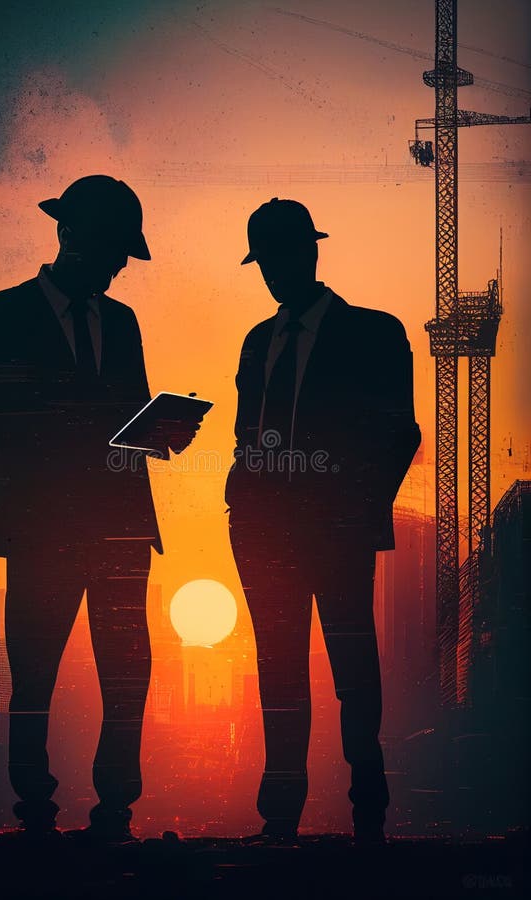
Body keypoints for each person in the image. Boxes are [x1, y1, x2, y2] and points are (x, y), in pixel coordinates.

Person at [0, 175, 201, 840]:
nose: (121, 266)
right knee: (35, 672)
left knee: (127, 669)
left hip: (118, 524)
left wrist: (162, 434)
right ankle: (36, 808)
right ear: (70, 237)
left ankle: (115, 807)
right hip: (42, 527)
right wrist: (74, 422)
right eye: (113, 250)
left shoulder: (122, 324)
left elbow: (131, 417)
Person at [226, 198, 421, 844]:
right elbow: (246, 436)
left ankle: (369, 811)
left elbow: (401, 435)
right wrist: (241, 504)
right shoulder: (258, 344)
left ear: (310, 252)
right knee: (280, 671)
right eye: (266, 262)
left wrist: (356, 512)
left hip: (335, 536)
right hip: (264, 540)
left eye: (282, 257)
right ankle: (280, 816)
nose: (273, 273)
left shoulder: (374, 333)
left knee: (352, 671)